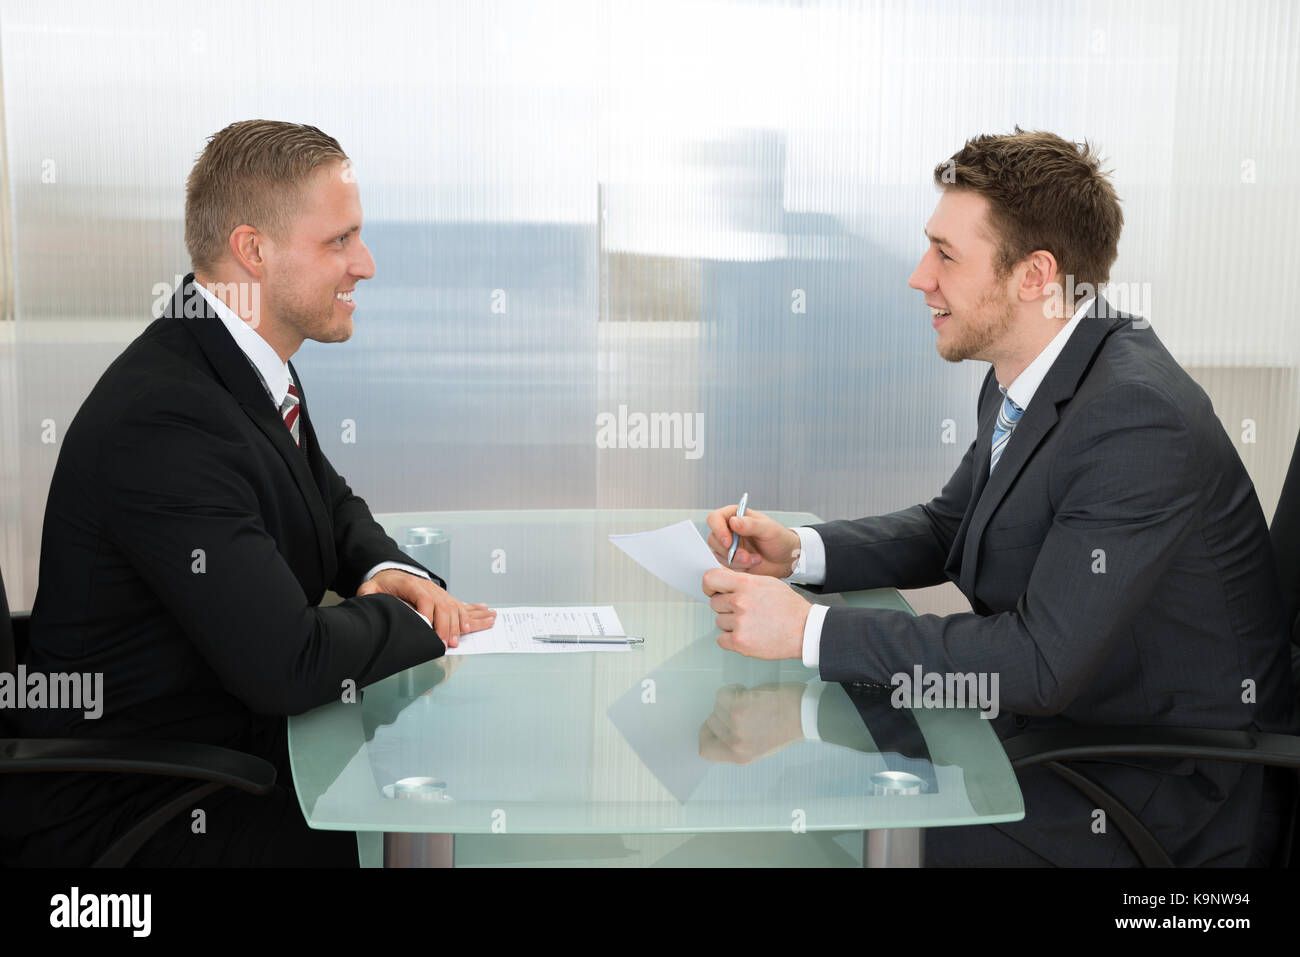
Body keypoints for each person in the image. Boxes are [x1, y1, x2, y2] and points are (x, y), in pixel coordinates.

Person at [701, 129, 1297, 866]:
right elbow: (952, 524)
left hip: (1151, 791)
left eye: (947, 254)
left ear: (1035, 274)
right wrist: (800, 549)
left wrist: (808, 631)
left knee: (833, 815)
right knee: (791, 758)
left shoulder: (1137, 418)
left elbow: (1041, 659)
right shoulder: (1033, 366)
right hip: (1055, 729)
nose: (920, 276)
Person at [0, 120, 495, 866]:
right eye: (340, 240)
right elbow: (287, 662)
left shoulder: (235, 358)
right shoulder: (167, 416)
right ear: (253, 250)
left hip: (224, 747)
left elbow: (326, 499)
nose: (365, 264)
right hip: (147, 810)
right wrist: (422, 618)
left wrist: (381, 570)